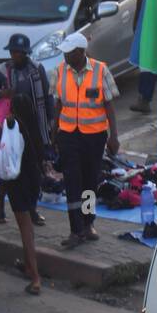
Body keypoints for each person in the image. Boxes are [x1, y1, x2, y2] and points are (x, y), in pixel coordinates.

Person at [51, 33, 119, 249]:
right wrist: (54, 133)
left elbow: (109, 105)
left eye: (69, 53)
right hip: (68, 135)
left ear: (80, 52)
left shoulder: (100, 70)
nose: (65, 56)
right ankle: (75, 230)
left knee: (90, 182)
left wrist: (114, 136)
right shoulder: (60, 71)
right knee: (72, 182)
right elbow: (58, 104)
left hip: (95, 136)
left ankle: (88, 223)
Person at [0, 33, 54, 228]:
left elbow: (46, 96)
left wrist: (51, 124)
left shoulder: (36, 70)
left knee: (32, 169)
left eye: (19, 52)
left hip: (31, 126)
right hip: (9, 127)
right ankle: (0, 205)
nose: (15, 55)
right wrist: (1, 93)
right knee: (6, 167)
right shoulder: (3, 69)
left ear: (26, 53)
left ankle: (32, 209)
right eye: (13, 51)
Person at [0, 92, 46, 294]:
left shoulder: (14, 125)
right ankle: (28, 266)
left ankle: (35, 278)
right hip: (33, 181)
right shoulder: (34, 127)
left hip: (18, 182)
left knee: (25, 229)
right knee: (27, 225)